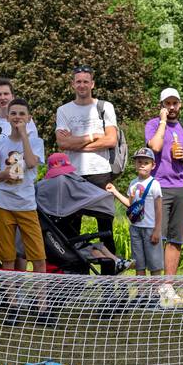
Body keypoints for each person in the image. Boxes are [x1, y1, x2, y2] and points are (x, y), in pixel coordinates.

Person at [0, 97, 50, 324]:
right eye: (14, 114)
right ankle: (13, 304)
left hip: (27, 205)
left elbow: (32, 163)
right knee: (8, 256)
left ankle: (42, 305)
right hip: (4, 204)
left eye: (22, 114)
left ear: (29, 118)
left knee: (38, 256)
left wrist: (24, 137)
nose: (18, 118)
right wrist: (5, 174)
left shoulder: (36, 141)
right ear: (7, 117)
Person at [55, 67, 119, 270]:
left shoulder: (104, 107)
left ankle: (110, 281)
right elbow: (62, 144)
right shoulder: (64, 110)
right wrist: (92, 137)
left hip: (100, 172)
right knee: (72, 228)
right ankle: (77, 277)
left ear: (92, 84)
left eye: (86, 81)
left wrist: (76, 143)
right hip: (73, 174)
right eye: (78, 81)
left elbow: (111, 140)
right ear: (73, 84)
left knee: (105, 227)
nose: (82, 85)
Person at [145, 88, 183, 305]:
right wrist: (161, 122)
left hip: (182, 187)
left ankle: (168, 286)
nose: (171, 107)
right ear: (161, 106)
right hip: (159, 186)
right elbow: (155, 146)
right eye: (167, 103)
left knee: (176, 238)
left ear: (180, 105)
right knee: (156, 236)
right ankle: (154, 285)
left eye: (174, 103)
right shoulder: (152, 125)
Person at [106, 147, 162, 301]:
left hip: (150, 228)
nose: (142, 165)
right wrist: (115, 192)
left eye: (146, 162)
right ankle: (142, 294)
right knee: (139, 263)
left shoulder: (155, 184)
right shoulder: (133, 183)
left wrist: (158, 229)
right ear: (135, 164)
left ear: (153, 165)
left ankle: (155, 295)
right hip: (136, 228)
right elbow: (130, 204)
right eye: (139, 162)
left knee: (154, 263)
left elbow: (159, 209)